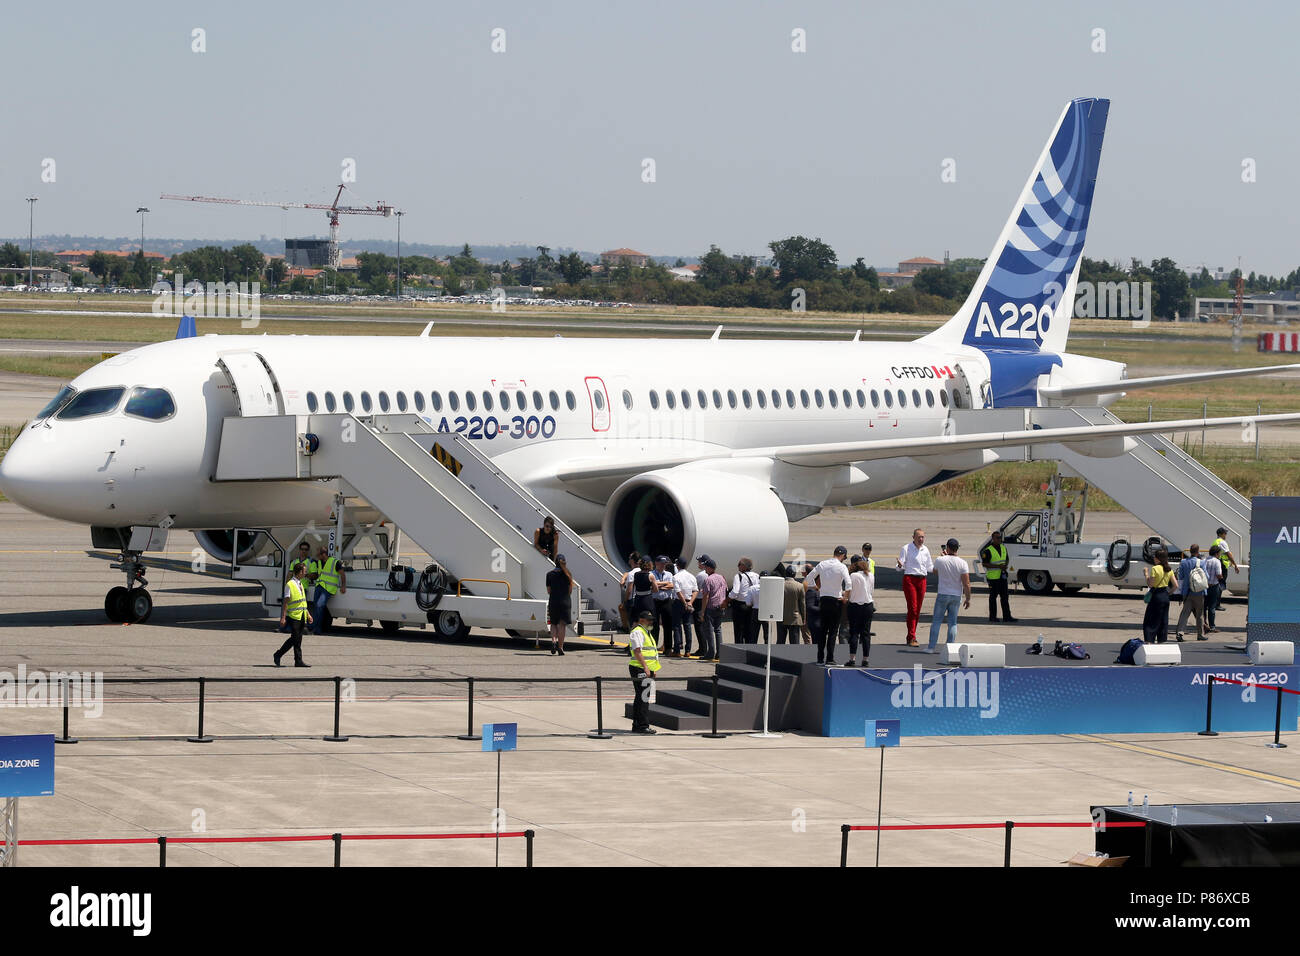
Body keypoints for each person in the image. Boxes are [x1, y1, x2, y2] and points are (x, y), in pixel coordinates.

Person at [808, 546, 851, 665]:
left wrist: (816, 587)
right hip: (835, 601)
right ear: (842, 556)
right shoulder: (842, 567)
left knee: (823, 630)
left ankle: (820, 658)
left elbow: (809, 577)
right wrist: (845, 598)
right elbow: (849, 584)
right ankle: (830, 658)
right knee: (833, 632)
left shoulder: (822, 564)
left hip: (824, 600)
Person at [928, 538, 971, 652]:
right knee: (952, 623)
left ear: (947, 548)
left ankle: (931, 647)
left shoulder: (940, 560)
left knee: (937, 621)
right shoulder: (962, 563)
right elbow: (966, 583)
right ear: (957, 548)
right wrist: (968, 598)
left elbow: (936, 572)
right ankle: (950, 648)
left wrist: (942, 557)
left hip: (943, 593)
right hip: (956, 595)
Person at [897, 529, 935, 646]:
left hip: (922, 580)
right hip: (910, 579)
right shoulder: (906, 548)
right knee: (913, 608)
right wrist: (899, 565)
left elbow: (930, 567)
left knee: (917, 610)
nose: (921, 539)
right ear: (913, 537)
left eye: (923, 537)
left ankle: (910, 636)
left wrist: (942, 565)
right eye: (919, 537)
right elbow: (900, 567)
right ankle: (912, 637)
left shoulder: (925, 549)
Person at [274, 561, 313, 667]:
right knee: (295, 638)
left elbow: (303, 601)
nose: (305, 573)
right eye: (304, 571)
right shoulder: (290, 584)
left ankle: (298, 661)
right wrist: (283, 617)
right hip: (293, 616)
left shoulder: (300, 583)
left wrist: (308, 614)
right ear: (300, 572)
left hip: (301, 615)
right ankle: (278, 654)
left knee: (298, 639)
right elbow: (285, 602)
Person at [627, 609, 660, 734]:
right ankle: (642, 725)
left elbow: (651, 652)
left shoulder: (646, 632)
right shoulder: (638, 632)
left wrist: (653, 669)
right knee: (643, 697)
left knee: (641, 696)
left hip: (646, 668)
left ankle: (638, 724)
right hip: (639, 668)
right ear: (641, 620)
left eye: (652, 620)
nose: (651, 622)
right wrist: (646, 668)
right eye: (649, 620)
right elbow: (637, 651)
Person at [307, 544, 346, 635]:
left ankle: (318, 628)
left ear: (323, 554)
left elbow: (342, 574)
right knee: (316, 606)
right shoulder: (319, 562)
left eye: (318, 555)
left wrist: (343, 586)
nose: (317, 556)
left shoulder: (335, 562)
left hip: (328, 588)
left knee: (320, 605)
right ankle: (314, 627)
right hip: (319, 586)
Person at [845, 555, 875, 666]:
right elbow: (871, 590)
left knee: (854, 633)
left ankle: (852, 659)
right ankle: (865, 659)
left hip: (855, 606)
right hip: (868, 606)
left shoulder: (853, 575)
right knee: (866, 634)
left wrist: (844, 598)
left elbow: (848, 590)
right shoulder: (871, 575)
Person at [980, 530, 1015, 623]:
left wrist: (1004, 566)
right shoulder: (988, 550)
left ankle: (1007, 616)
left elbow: (1006, 559)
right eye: (997, 538)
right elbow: (985, 564)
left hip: (1002, 576)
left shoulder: (1003, 548)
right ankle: (993, 617)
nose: (999, 539)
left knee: (1005, 597)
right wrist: (998, 566)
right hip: (993, 578)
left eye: (1000, 538)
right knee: (993, 597)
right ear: (993, 539)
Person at [1175, 545, 1207, 642]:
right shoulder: (1201, 562)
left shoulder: (1184, 562)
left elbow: (1180, 577)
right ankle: (1200, 634)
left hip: (1187, 592)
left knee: (1185, 613)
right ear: (1198, 551)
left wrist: (1180, 592)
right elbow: (1206, 576)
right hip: (1199, 592)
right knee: (1199, 614)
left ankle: (1180, 632)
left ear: (1190, 551)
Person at [1142, 549, 1176, 644]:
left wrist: (1146, 574)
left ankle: (1149, 640)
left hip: (1156, 596)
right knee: (1163, 620)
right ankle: (1162, 640)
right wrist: (1168, 593)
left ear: (1157, 559)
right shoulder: (1169, 569)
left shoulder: (1155, 568)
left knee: (1150, 620)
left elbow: (1150, 584)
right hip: (1165, 595)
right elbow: (1175, 585)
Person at [698, 556, 727, 661]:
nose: (705, 569)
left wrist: (702, 611)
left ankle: (710, 653)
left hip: (711, 607)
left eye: (706, 567)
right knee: (718, 630)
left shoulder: (708, 580)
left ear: (710, 568)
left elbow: (705, 596)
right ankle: (720, 653)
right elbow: (725, 590)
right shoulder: (721, 577)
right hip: (720, 606)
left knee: (709, 631)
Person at [545, 553, 573, 655]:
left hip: (554, 601)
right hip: (565, 601)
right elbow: (570, 590)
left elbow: (549, 590)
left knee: (553, 623)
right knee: (562, 625)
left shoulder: (549, 574)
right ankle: (560, 647)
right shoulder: (568, 574)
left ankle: (553, 642)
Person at [672, 556, 699, 657]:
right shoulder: (691, 576)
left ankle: (677, 650)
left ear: (677, 565)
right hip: (689, 601)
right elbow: (696, 590)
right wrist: (690, 602)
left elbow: (678, 592)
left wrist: (684, 603)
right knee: (687, 625)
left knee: (677, 626)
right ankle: (688, 650)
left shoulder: (676, 577)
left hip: (679, 602)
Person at [729, 558, 759, 644]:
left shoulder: (738, 576)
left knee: (739, 631)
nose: (738, 566)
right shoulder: (757, 576)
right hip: (752, 606)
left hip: (740, 605)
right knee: (749, 630)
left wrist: (727, 600)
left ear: (744, 566)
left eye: (739, 564)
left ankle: (739, 650)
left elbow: (735, 592)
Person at [651, 556, 676, 652]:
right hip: (655, 601)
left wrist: (659, 585)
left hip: (666, 601)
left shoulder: (669, 574)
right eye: (661, 563)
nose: (663, 565)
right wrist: (664, 584)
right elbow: (652, 586)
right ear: (656, 563)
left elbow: (672, 585)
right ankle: (653, 646)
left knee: (668, 625)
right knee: (655, 625)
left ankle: (668, 647)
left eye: (664, 563)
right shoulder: (651, 574)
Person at [778, 565, 806, 644]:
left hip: (781, 617)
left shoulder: (780, 585)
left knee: (780, 640)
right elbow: (802, 604)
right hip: (795, 618)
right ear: (794, 574)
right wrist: (803, 618)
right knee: (794, 641)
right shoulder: (799, 586)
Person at [618, 551, 641, 632]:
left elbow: (629, 590)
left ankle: (632, 642)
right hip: (643, 599)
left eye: (630, 558)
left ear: (632, 560)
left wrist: (625, 601)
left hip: (633, 601)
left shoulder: (632, 574)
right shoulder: (644, 572)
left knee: (633, 624)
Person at [1204, 545, 1224, 633]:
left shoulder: (1204, 560)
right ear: (1216, 553)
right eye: (1219, 553)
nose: (1220, 555)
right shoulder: (1217, 561)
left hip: (1204, 586)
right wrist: (1222, 579)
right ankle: (1212, 626)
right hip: (1213, 586)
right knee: (1212, 607)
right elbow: (1219, 574)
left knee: (1203, 607)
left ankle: (1204, 625)